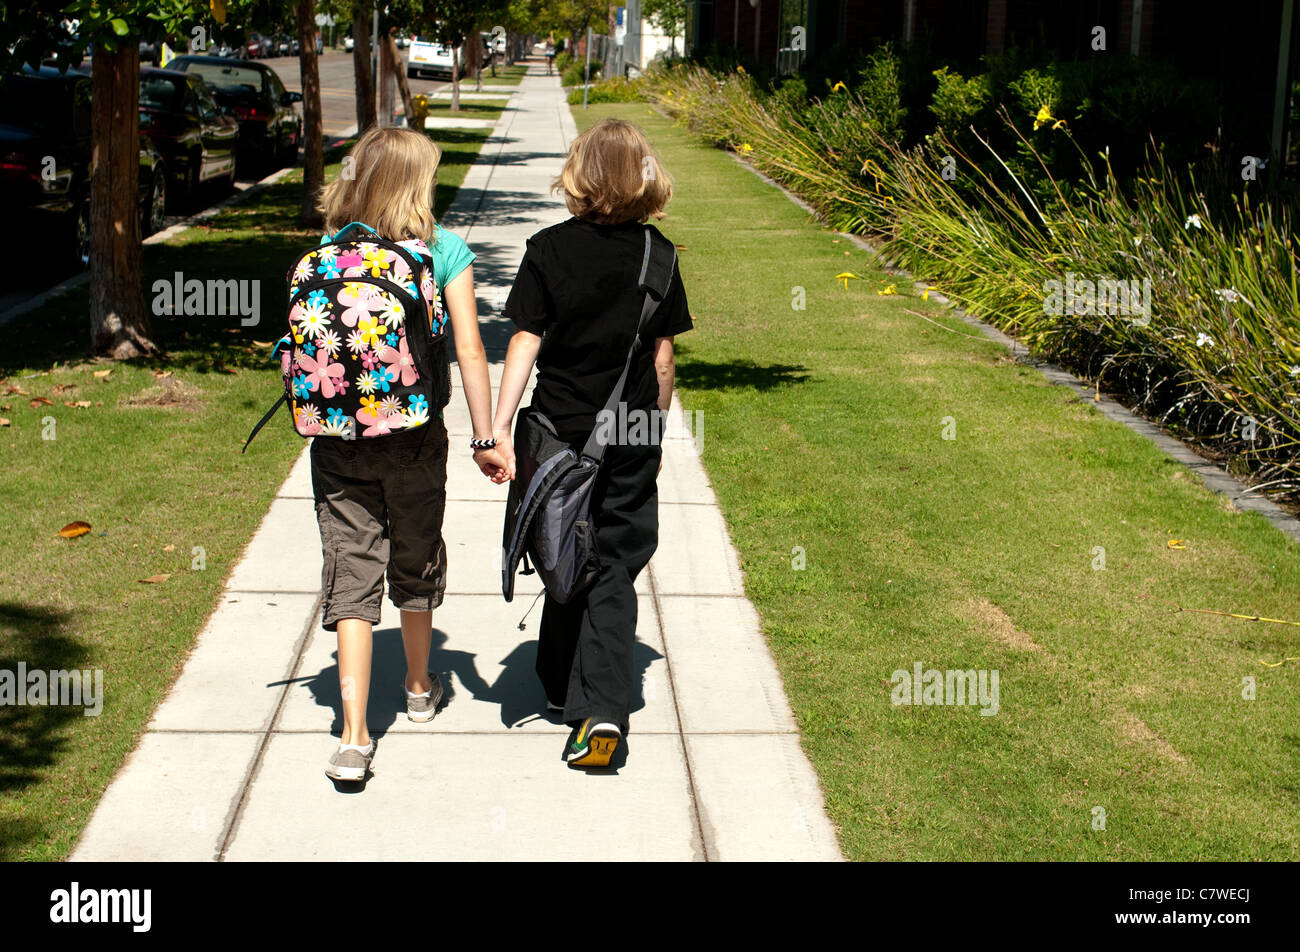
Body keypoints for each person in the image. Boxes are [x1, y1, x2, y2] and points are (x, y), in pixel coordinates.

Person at [489, 118, 693, 769]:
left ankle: (592, 706)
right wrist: (653, 431)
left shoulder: (547, 249)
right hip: (628, 436)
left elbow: (525, 342)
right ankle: (574, 690)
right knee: (610, 558)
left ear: (578, 174)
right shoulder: (658, 256)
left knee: (561, 546)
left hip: (555, 436)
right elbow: (661, 359)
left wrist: (494, 429)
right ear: (643, 177)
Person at [311, 126, 507, 782]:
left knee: (351, 564)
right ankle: (420, 688)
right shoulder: (445, 250)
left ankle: (353, 734)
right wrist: (486, 437)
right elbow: (471, 351)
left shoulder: (330, 251)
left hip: (340, 437)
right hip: (417, 435)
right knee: (415, 551)